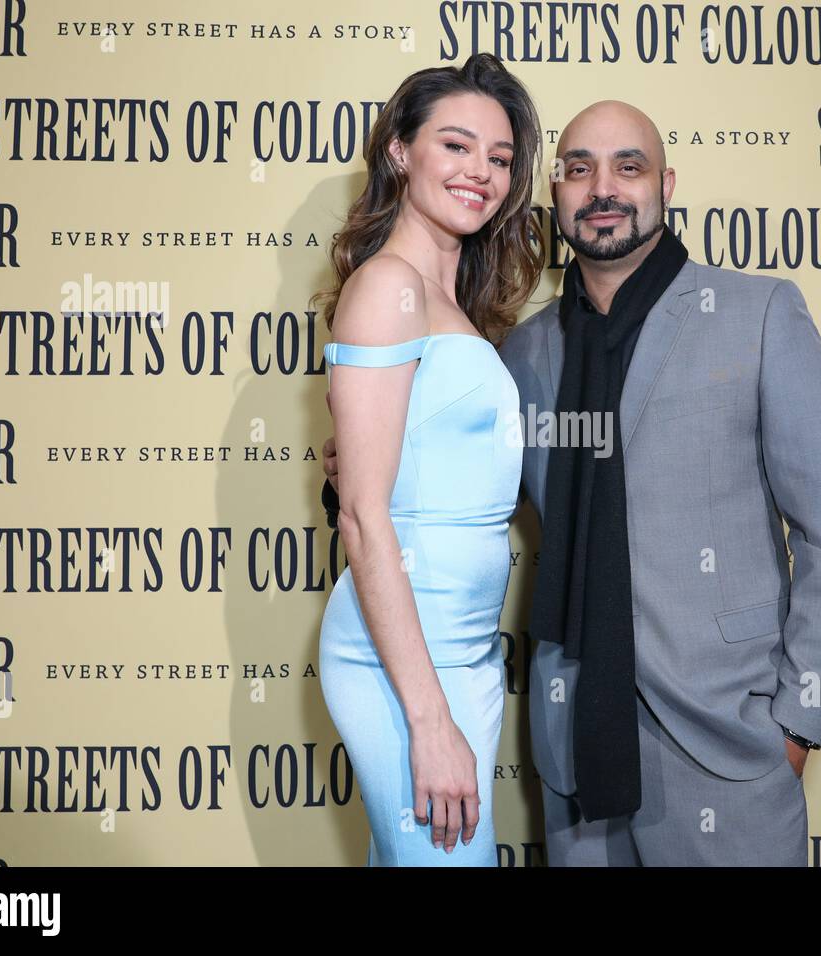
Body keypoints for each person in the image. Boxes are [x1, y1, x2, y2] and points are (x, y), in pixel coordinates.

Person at [495, 100, 821, 865]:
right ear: (557, 194)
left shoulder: (758, 313)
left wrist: (801, 724)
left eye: (627, 166)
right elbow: (466, 496)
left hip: (728, 751)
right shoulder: (526, 351)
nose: (602, 187)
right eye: (579, 169)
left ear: (666, 184)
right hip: (573, 753)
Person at [314, 52, 543, 866]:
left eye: (501, 157)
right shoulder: (389, 287)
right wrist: (428, 718)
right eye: (455, 145)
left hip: (465, 651)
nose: (480, 171)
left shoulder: (454, 301)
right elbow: (364, 516)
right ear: (400, 152)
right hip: (404, 664)